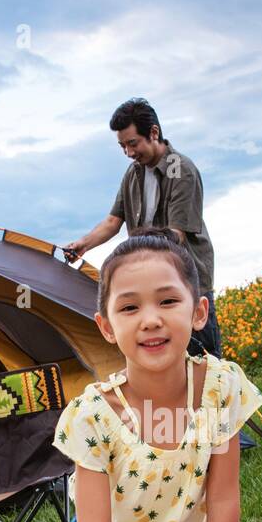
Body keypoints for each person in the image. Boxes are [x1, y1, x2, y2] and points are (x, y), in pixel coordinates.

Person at [37, 228, 262, 522]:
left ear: (198, 311)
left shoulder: (220, 387)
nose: (150, 321)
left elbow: (223, 500)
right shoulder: (93, 414)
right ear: (105, 326)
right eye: (129, 307)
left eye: (167, 301)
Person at [64, 99, 222, 358]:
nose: (128, 152)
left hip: (185, 285)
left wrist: (131, 255)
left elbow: (176, 235)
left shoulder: (180, 170)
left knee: (202, 361)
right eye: (122, 146)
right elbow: (113, 222)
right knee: (159, 361)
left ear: (154, 133)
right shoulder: (133, 173)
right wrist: (83, 244)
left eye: (132, 143)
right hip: (148, 286)